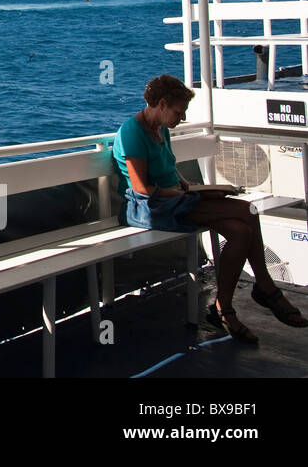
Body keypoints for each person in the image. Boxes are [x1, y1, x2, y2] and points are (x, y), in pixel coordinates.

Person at [112, 74, 307, 344]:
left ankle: (223, 308)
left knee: (241, 231)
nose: (181, 118)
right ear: (162, 104)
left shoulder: (161, 129)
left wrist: (194, 187)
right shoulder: (132, 133)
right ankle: (263, 289)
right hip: (151, 209)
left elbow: (170, 170)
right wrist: (185, 193)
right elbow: (142, 188)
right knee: (247, 211)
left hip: (175, 200)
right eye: (178, 112)